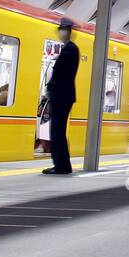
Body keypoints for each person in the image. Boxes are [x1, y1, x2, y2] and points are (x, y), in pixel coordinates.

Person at [43, 17, 79, 174]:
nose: (61, 34)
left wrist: (50, 88)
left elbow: (61, 74)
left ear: (67, 32)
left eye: (62, 31)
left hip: (61, 96)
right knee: (58, 130)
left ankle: (61, 165)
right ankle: (61, 164)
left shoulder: (69, 49)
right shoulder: (70, 49)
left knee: (57, 131)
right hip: (63, 95)